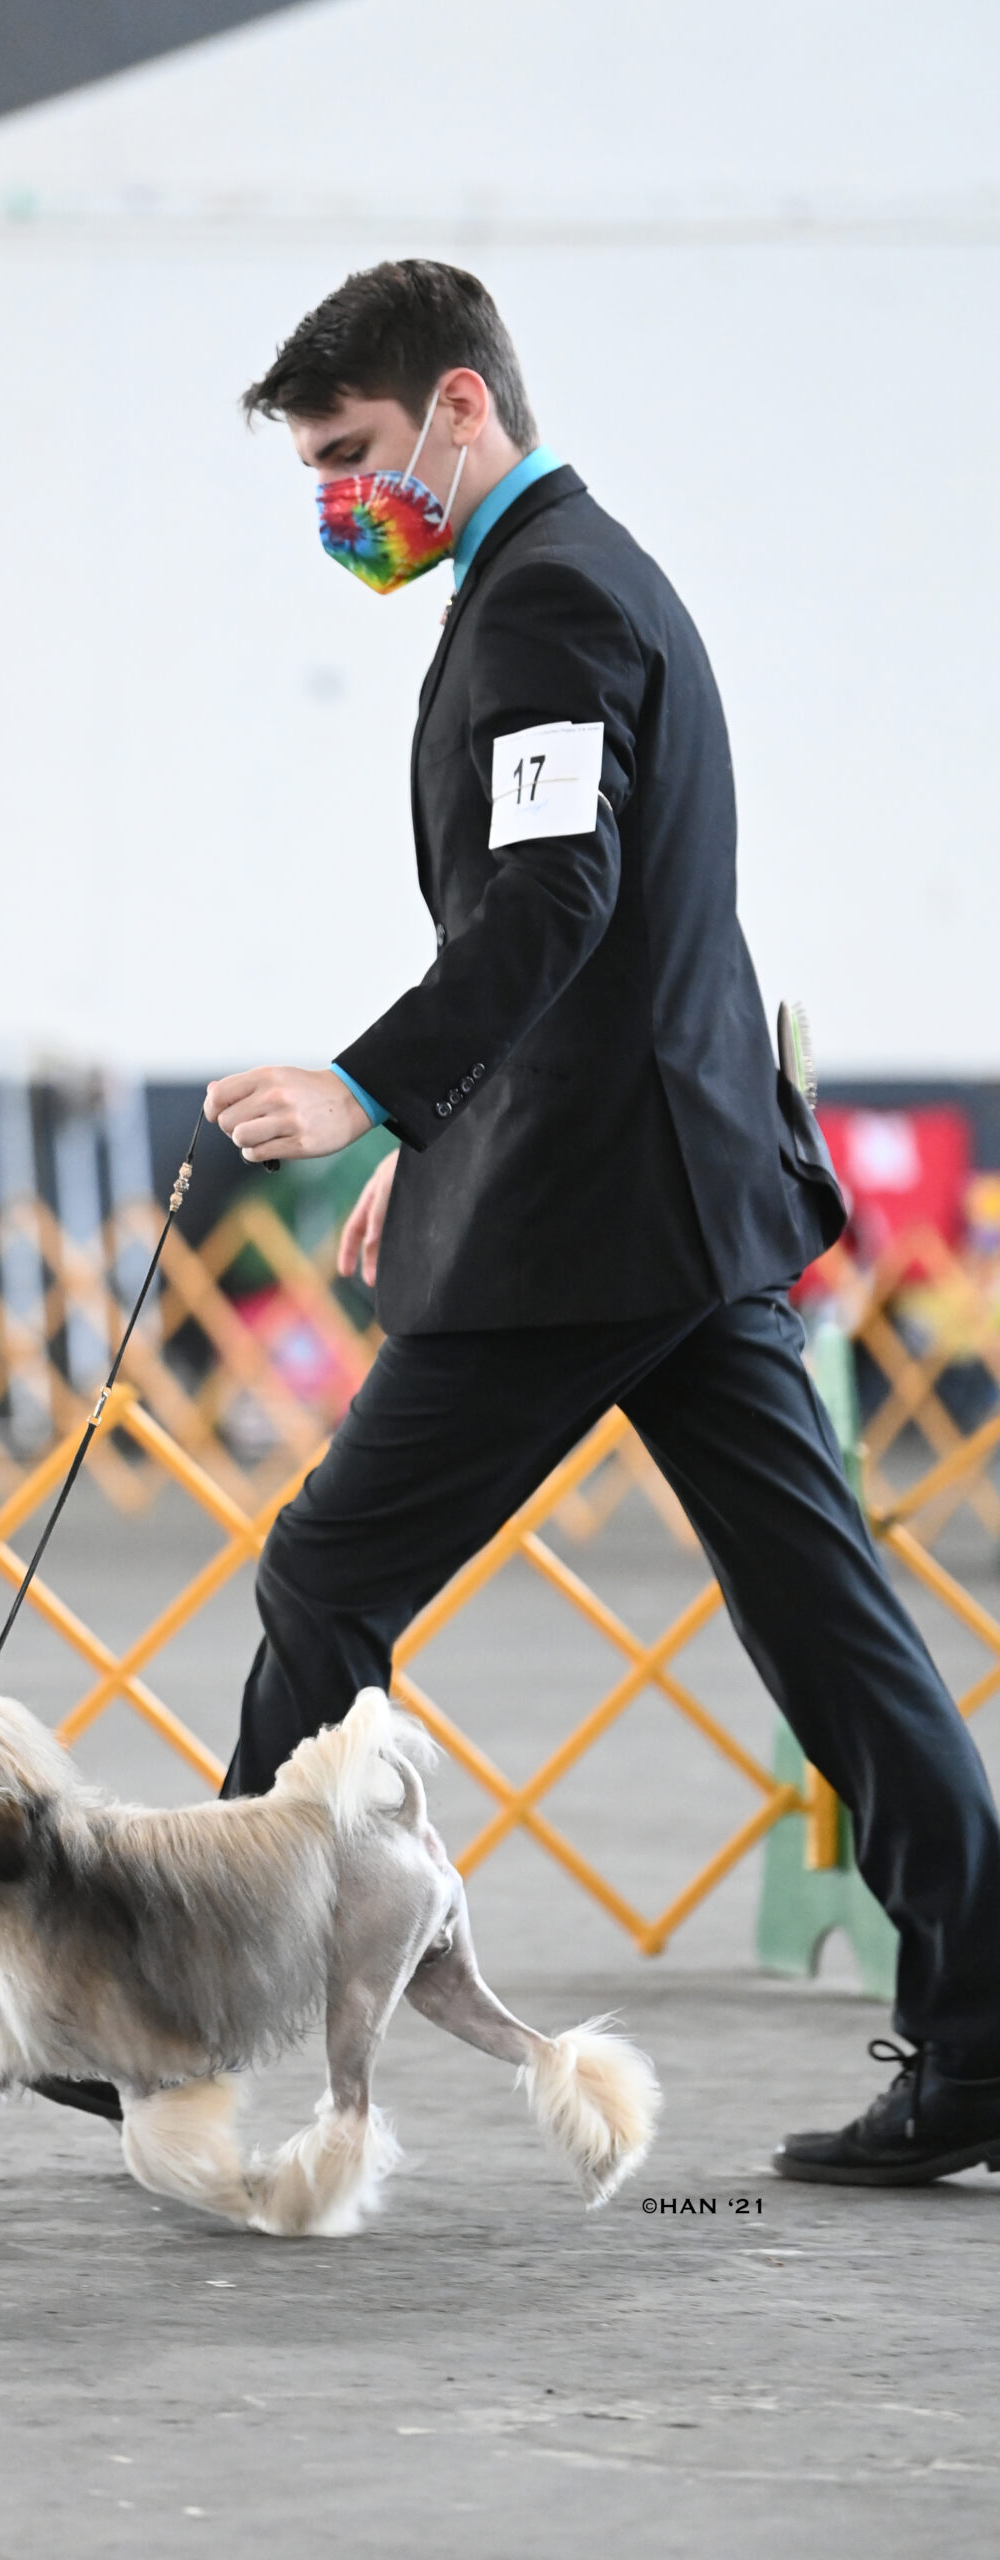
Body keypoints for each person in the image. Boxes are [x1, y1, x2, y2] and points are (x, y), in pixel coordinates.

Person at [199, 259, 1000, 2188]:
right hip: (666, 1181)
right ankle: (986, 2042)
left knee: (327, 1578)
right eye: (314, 469)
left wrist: (371, 1089)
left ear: (461, 408)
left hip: (601, 1210)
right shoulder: (552, 577)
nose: (337, 503)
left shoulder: (549, 596)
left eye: (355, 455)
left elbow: (547, 908)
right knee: (828, 1625)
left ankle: (177, 1993)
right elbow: (578, 932)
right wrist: (438, 1129)